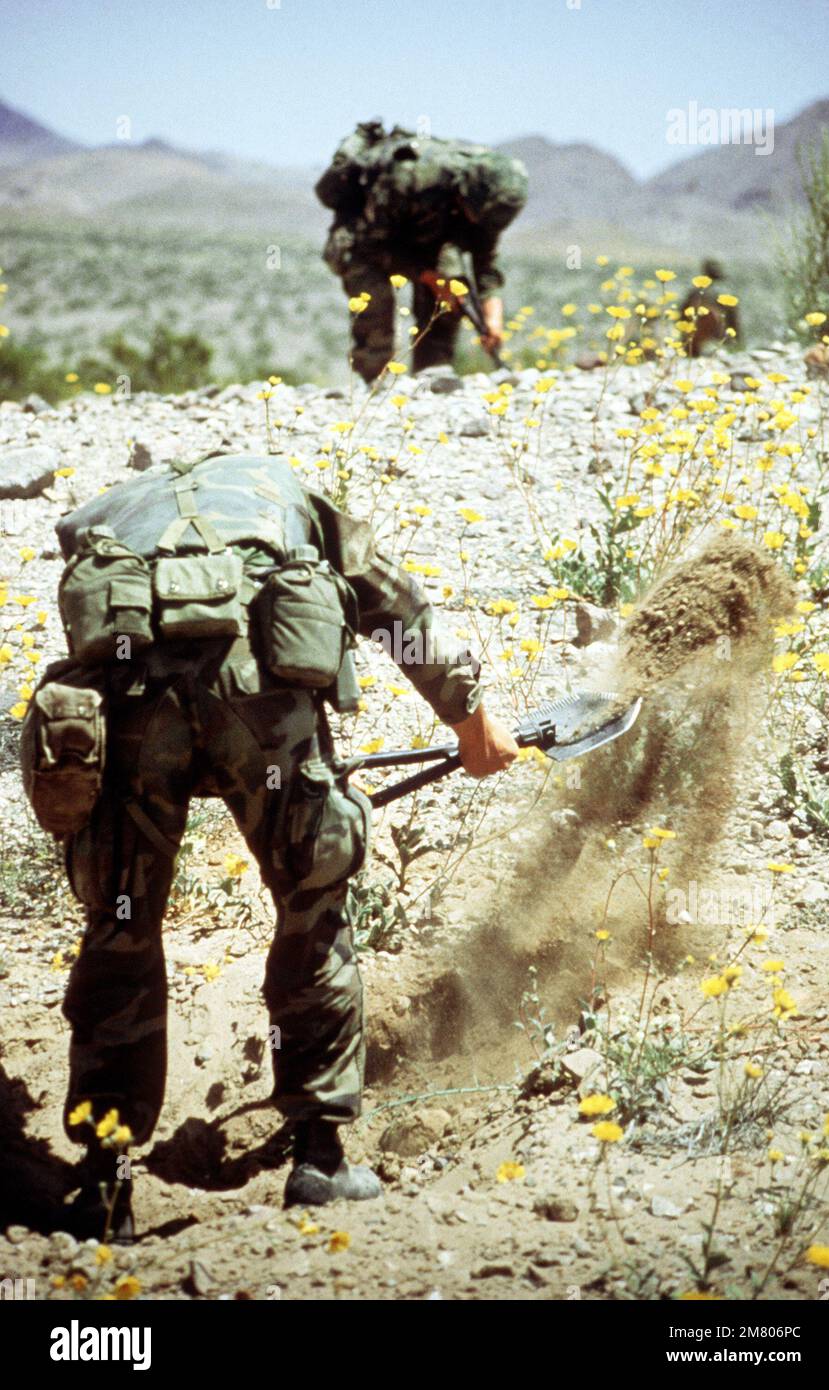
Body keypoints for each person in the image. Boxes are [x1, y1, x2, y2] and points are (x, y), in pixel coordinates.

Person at [23, 449, 518, 1240]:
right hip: (262, 702)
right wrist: (465, 715)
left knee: (121, 924)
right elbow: (392, 604)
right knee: (310, 904)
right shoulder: (288, 493)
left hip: (135, 710)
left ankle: (105, 1179)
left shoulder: (103, 515)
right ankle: (319, 1157)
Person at [316, 120, 528, 381]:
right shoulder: (410, 177)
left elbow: (486, 265)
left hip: (425, 236)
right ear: (465, 193)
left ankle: (433, 372)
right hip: (367, 239)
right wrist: (429, 276)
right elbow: (372, 244)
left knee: (453, 286)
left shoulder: (488, 207)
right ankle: (373, 383)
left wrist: (492, 318)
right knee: (375, 301)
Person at [679, 259, 742, 357]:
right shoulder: (724, 293)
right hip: (713, 341)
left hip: (702, 341)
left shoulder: (695, 293)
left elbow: (682, 315)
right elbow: (733, 322)